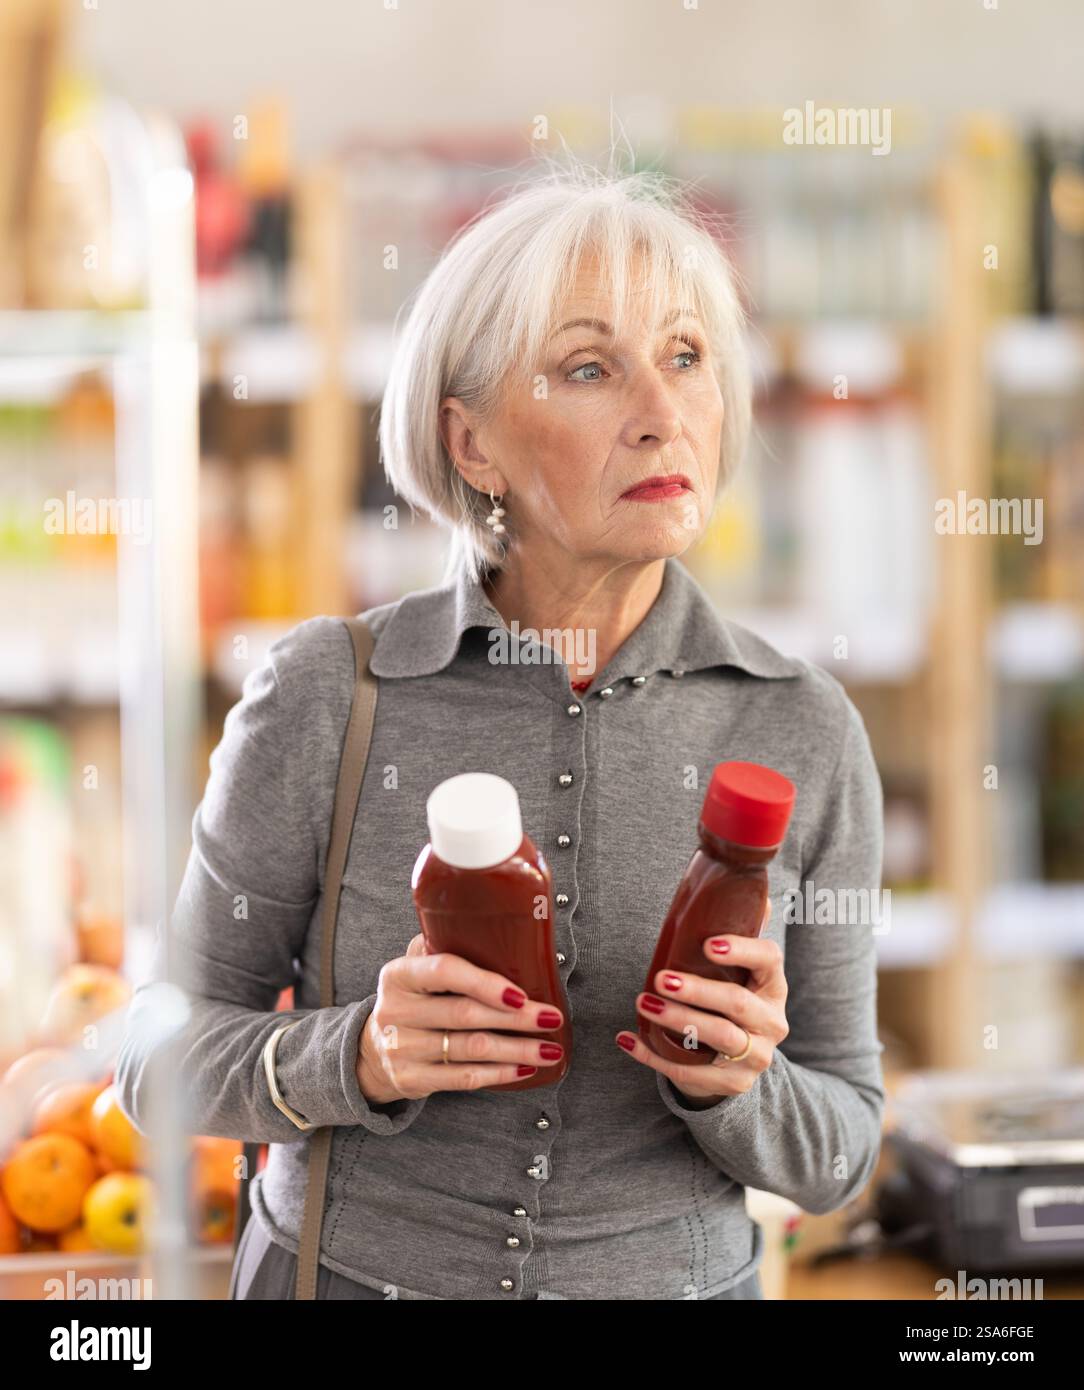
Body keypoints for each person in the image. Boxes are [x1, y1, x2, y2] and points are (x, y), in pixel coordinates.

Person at [117, 155, 885, 1301]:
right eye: (589, 367)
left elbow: (840, 1145)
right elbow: (151, 1059)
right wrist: (357, 1056)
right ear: (471, 444)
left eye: (685, 358)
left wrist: (739, 1083)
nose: (661, 414)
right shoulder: (329, 694)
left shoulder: (802, 729)